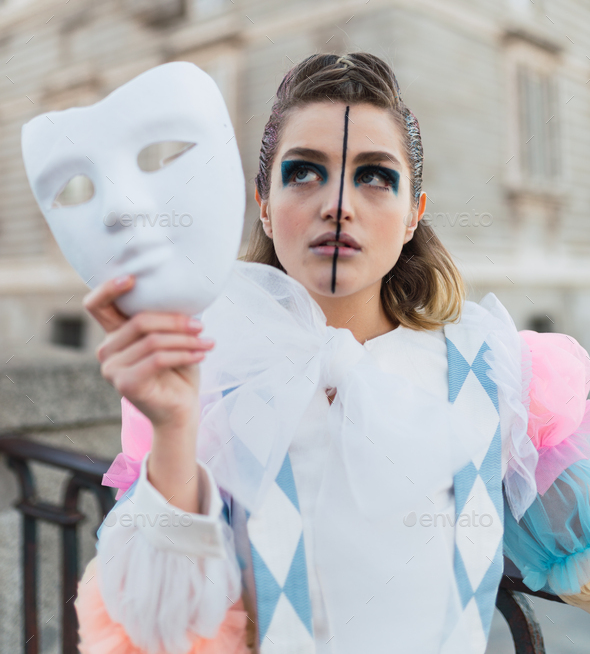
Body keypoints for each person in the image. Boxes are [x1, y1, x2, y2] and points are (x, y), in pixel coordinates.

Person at [75, 53, 590, 654]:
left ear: (412, 215)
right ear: (263, 207)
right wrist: (172, 430)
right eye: (303, 173)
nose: (338, 204)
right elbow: (155, 622)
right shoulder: (206, 381)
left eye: (374, 175)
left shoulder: (499, 370)